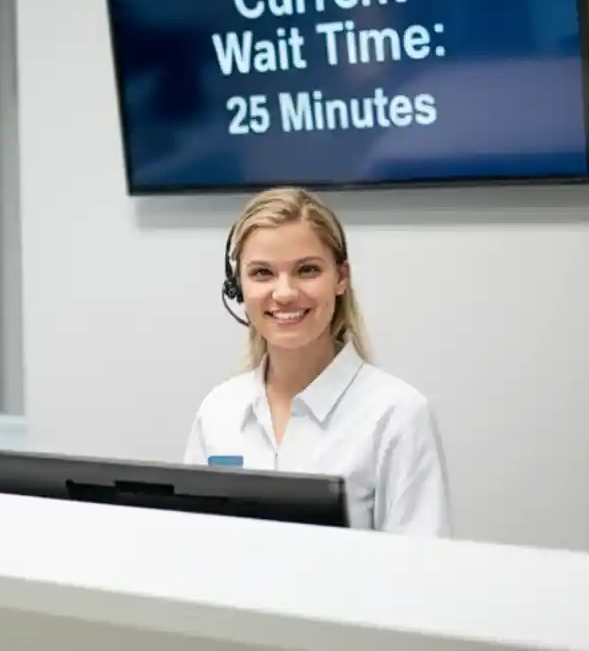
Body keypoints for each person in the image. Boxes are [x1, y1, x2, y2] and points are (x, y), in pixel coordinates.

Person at [184, 187, 452, 535]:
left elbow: (422, 570)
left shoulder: (396, 415)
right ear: (238, 287)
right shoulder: (218, 411)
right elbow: (195, 545)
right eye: (262, 273)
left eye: (307, 270)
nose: (284, 293)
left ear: (341, 278)